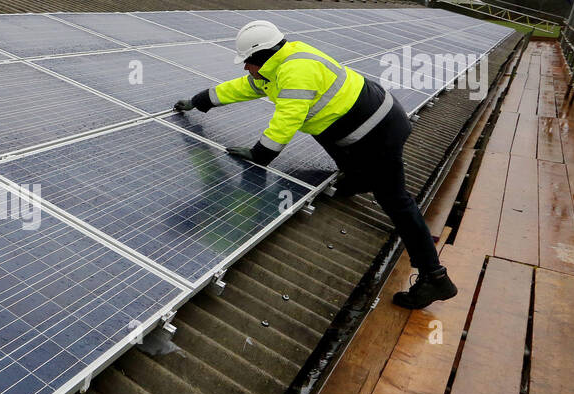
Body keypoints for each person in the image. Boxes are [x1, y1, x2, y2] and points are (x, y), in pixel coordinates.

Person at [173, 19, 456, 309]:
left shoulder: (296, 72)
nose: (246, 67)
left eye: (248, 62)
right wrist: (200, 101)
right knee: (353, 171)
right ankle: (359, 180)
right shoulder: (278, 66)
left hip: (377, 132)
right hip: (357, 126)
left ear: (262, 57)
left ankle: (434, 277)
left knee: (395, 200)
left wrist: (259, 155)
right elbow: (245, 87)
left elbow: (287, 120)